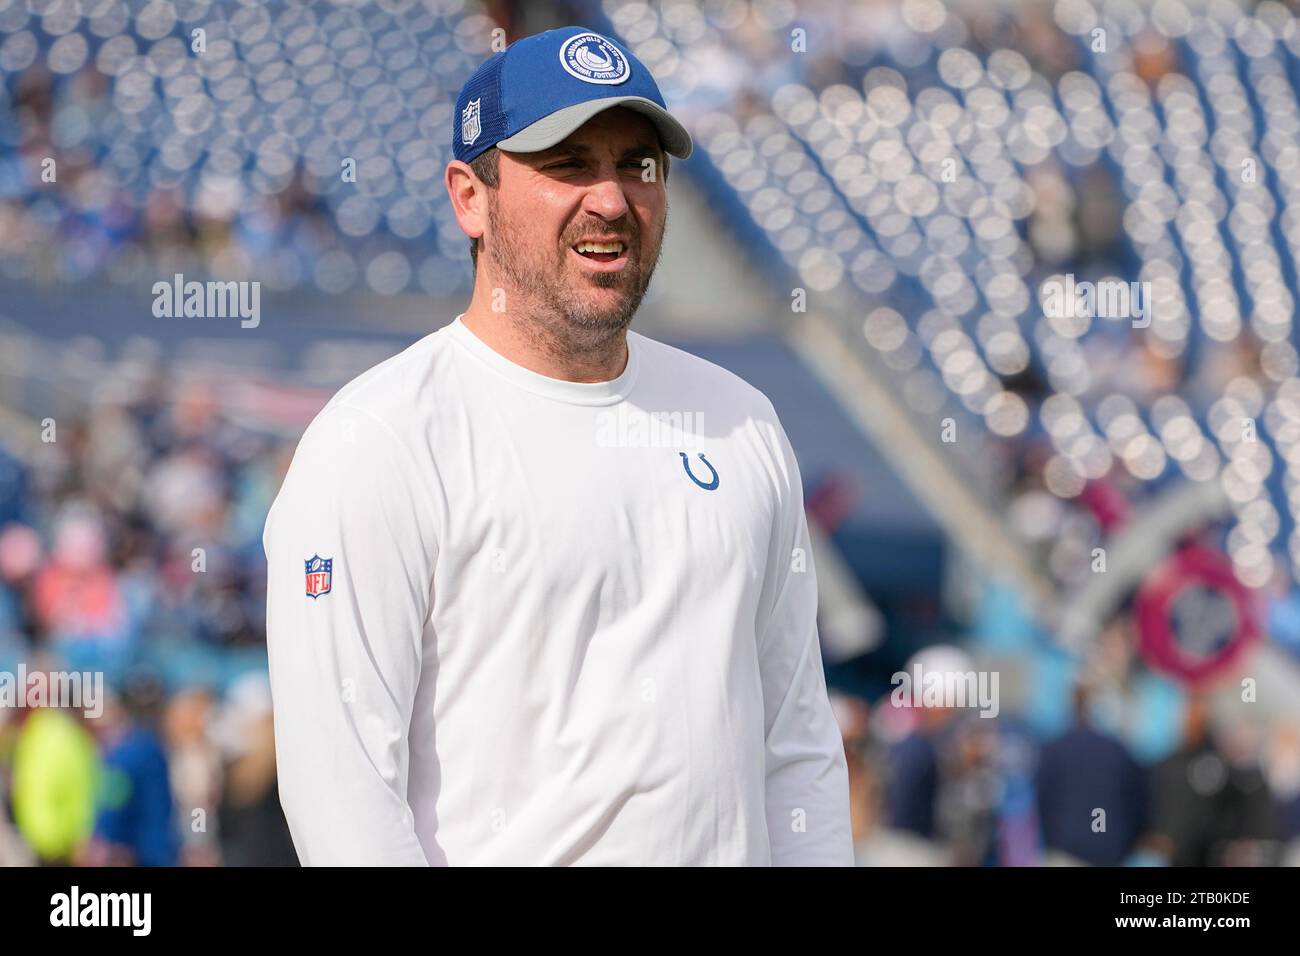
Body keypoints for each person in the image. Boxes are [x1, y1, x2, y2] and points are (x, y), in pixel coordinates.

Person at [263, 26, 851, 865]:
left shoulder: (742, 421)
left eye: (638, 164)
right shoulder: (378, 442)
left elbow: (797, 749)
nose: (612, 199)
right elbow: (342, 798)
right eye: (569, 163)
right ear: (470, 196)